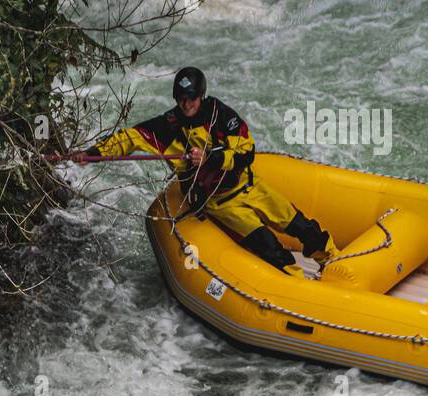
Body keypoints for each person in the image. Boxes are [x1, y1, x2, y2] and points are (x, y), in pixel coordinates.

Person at [75, 67, 338, 277]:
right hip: (220, 204)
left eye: (190, 99)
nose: (186, 103)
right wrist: (94, 154)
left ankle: (334, 262)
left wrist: (210, 158)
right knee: (269, 246)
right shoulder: (168, 125)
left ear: (201, 96)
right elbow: (130, 138)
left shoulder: (222, 115)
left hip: (249, 187)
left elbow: (246, 152)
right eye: (181, 99)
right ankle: (299, 289)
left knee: (301, 225)